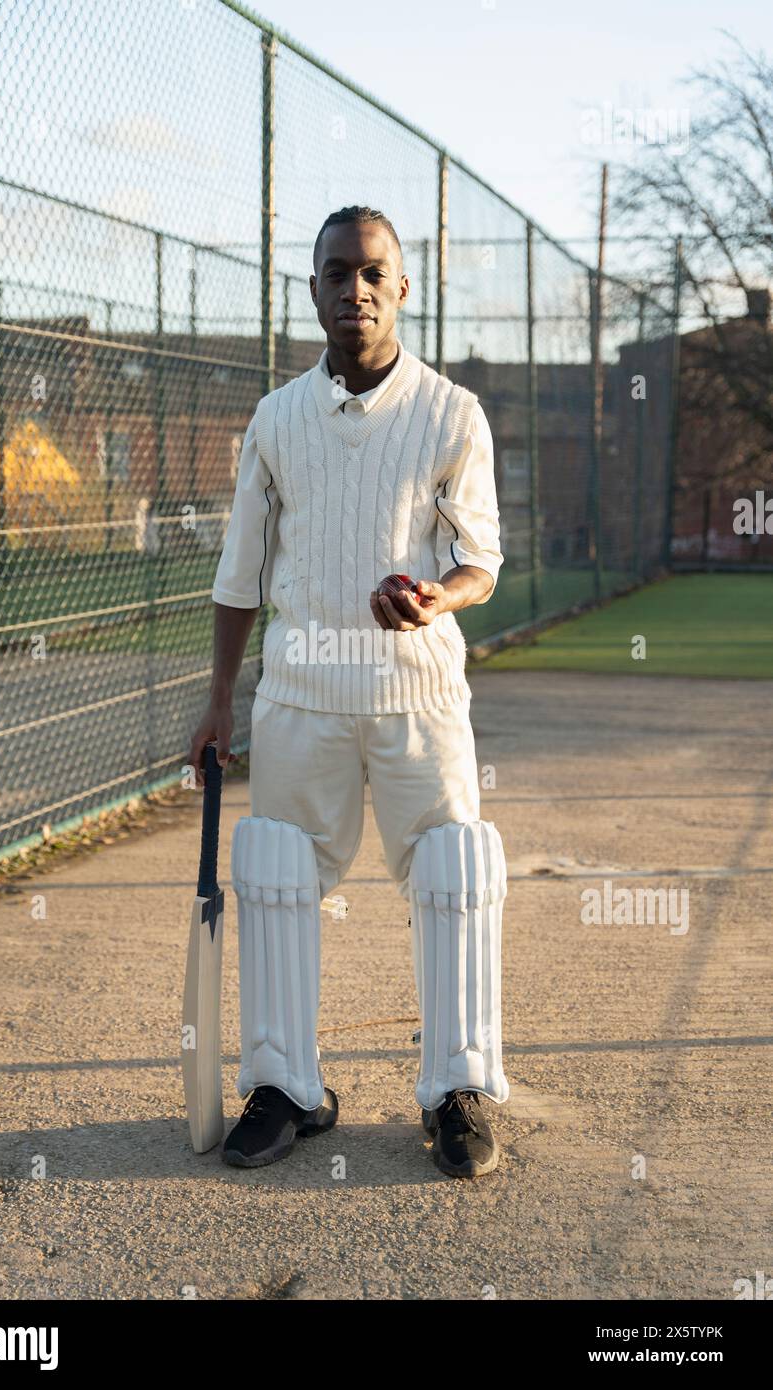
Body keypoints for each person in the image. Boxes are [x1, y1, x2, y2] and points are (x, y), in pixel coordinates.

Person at [189, 205, 509, 1179]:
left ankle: (455, 1090)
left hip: (418, 697)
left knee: (452, 869)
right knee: (278, 870)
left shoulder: (452, 412)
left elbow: (480, 563)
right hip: (299, 697)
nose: (354, 291)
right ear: (315, 289)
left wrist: (433, 597)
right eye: (336, 274)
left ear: (401, 288)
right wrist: (216, 699)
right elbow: (240, 572)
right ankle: (286, 1088)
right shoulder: (276, 417)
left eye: (372, 274)